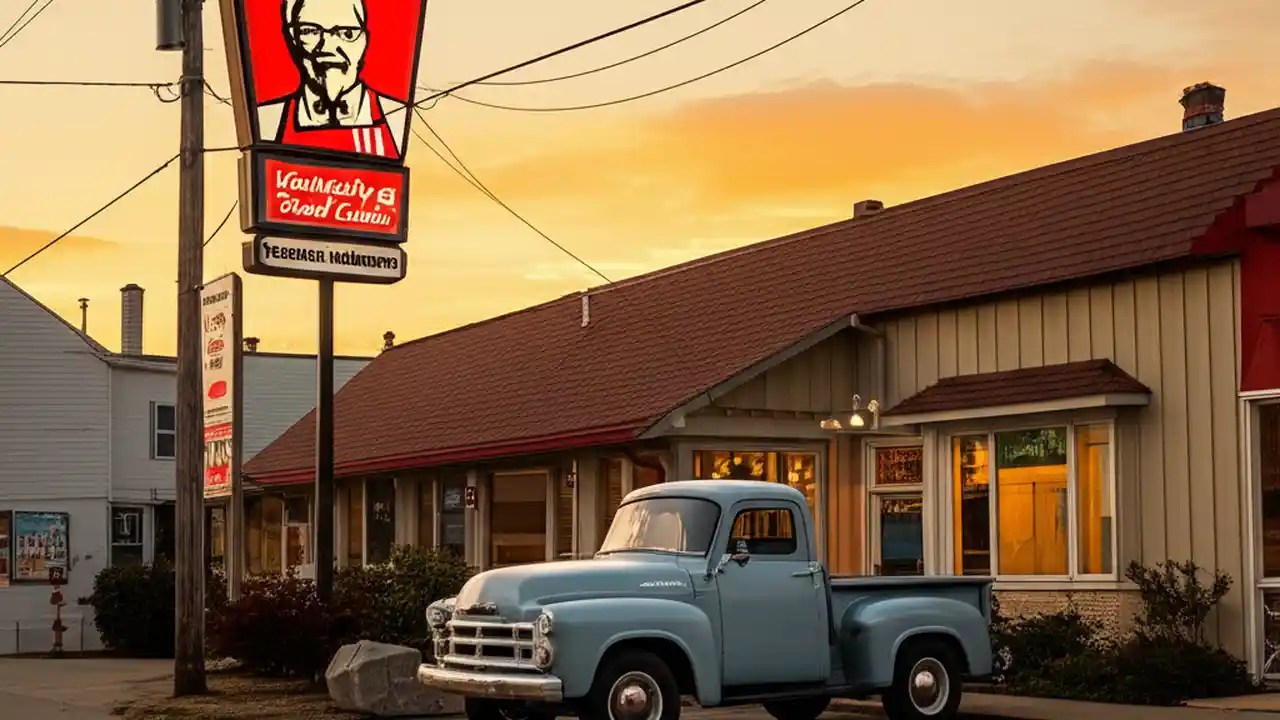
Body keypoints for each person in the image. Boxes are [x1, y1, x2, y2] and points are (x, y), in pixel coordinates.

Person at [258, 0, 408, 159]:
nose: (327, 47)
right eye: (310, 31)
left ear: (364, 40)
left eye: (347, 33)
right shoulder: (269, 120)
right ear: (292, 39)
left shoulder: (394, 115)